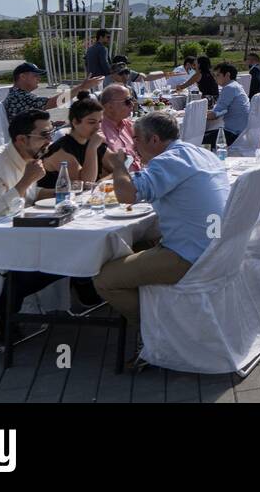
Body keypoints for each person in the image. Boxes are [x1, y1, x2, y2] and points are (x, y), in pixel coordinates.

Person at [0, 109, 100, 349]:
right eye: (44, 135)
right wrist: (26, 180)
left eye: (51, 133)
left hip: (12, 232)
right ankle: (4, 316)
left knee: (72, 248)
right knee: (43, 262)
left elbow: (32, 195)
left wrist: (75, 193)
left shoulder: (26, 159)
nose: (50, 141)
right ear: (21, 139)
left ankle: (85, 291)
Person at [94, 112, 230, 335]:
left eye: (136, 138)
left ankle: (154, 331)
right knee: (136, 247)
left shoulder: (168, 161)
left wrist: (118, 165)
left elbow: (127, 195)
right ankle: (166, 311)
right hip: (220, 249)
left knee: (103, 279)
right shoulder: (200, 153)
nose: (134, 144)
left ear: (154, 139)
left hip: (191, 255)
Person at [43, 97, 109, 187]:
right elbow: (85, 183)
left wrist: (102, 181)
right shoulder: (62, 150)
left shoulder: (93, 141)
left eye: (100, 122)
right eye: (91, 122)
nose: (98, 127)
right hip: (54, 199)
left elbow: (120, 167)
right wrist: (92, 148)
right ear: (75, 122)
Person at [3, 62, 96, 122]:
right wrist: (82, 87)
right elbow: (55, 102)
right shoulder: (19, 96)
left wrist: (52, 125)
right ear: (22, 76)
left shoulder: (16, 94)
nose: (39, 78)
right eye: (35, 75)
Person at [97, 83, 142, 170]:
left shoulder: (129, 125)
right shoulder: (98, 130)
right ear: (109, 107)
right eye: (127, 101)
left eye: (132, 99)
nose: (132, 104)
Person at [206, 63, 250, 147]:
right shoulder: (236, 86)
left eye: (218, 75)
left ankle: (208, 159)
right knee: (206, 134)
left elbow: (215, 115)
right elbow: (219, 110)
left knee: (197, 140)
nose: (215, 78)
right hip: (242, 132)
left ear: (227, 75)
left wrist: (196, 115)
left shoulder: (229, 88)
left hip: (233, 134)